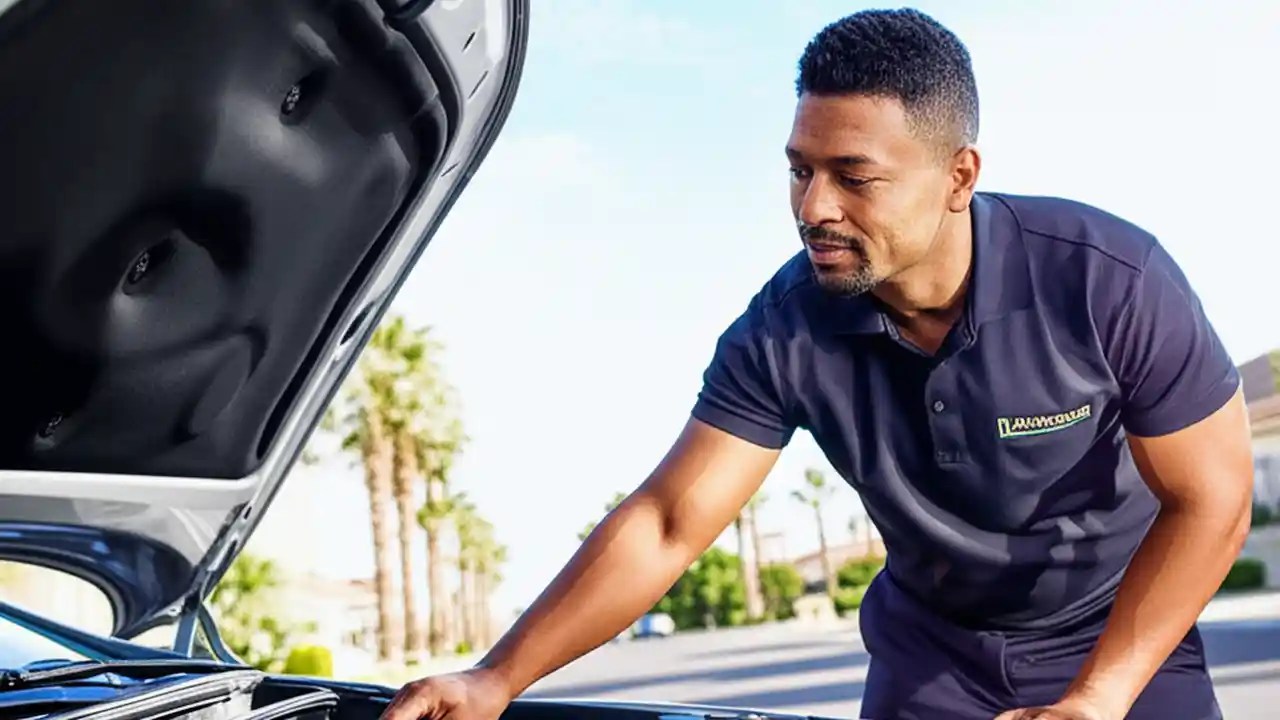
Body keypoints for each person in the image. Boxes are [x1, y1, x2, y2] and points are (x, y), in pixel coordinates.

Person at [380, 8, 1253, 720]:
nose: (813, 207)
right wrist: (496, 678)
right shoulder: (784, 326)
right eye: (798, 171)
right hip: (932, 657)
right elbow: (667, 523)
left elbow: (1213, 496)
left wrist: (1099, 697)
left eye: (854, 176)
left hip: (1116, 640)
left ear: (959, 175)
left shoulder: (1108, 279)